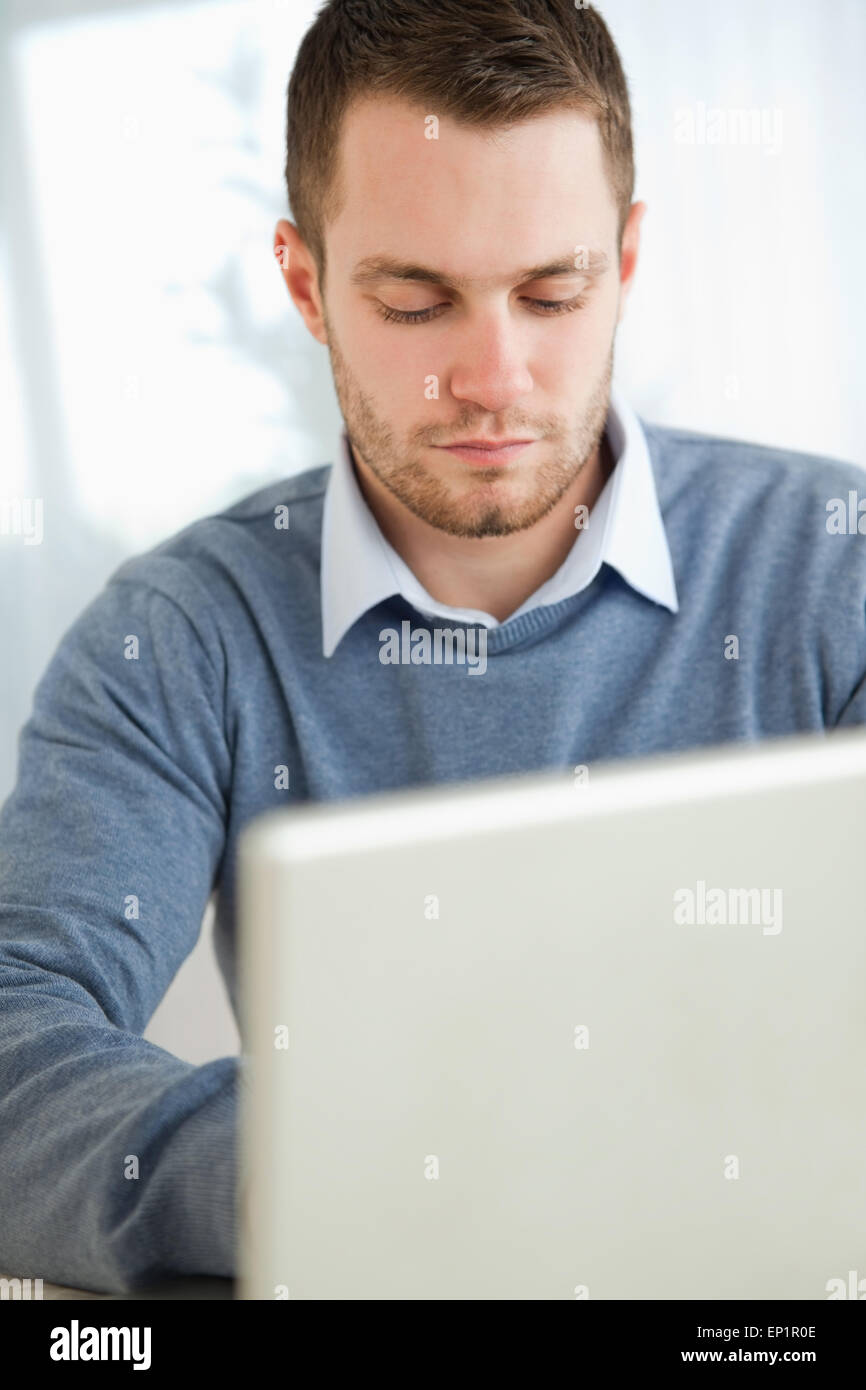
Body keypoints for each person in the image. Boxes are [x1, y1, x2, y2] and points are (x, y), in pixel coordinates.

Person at [1, 0, 864, 1294]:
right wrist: (321, 1167)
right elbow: (17, 1029)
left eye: (550, 291)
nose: (492, 375)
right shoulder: (178, 638)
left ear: (627, 259)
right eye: (416, 301)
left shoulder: (835, 568)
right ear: (305, 284)